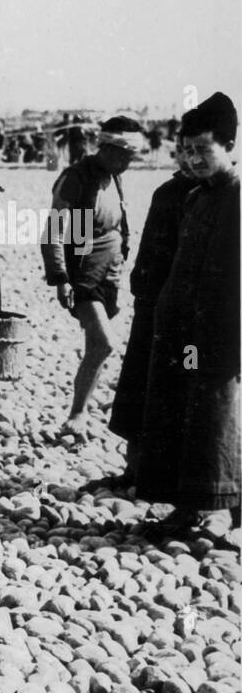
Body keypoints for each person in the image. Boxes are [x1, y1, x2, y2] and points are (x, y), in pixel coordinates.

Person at [137, 92, 239, 546]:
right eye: (187, 150)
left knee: (220, 416)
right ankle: (189, 504)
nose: (194, 159)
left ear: (230, 145)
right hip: (185, 333)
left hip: (223, 335)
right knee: (185, 412)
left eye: (204, 149)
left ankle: (222, 511)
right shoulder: (197, 197)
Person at [41, 116, 143, 437]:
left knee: (95, 348)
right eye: (125, 155)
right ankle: (77, 413)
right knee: (104, 344)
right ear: (109, 148)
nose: (129, 162)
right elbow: (54, 232)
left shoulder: (113, 177)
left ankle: (80, 413)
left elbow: (115, 226)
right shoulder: (77, 178)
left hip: (108, 277)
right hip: (82, 277)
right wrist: (60, 278)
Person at [107, 133, 197, 484]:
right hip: (149, 309)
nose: (188, 158)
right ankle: (136, 468)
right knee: (139, 384)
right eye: (184, 150)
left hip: (190, 319)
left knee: (188, 386)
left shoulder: (216, 197)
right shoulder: (166, 193)